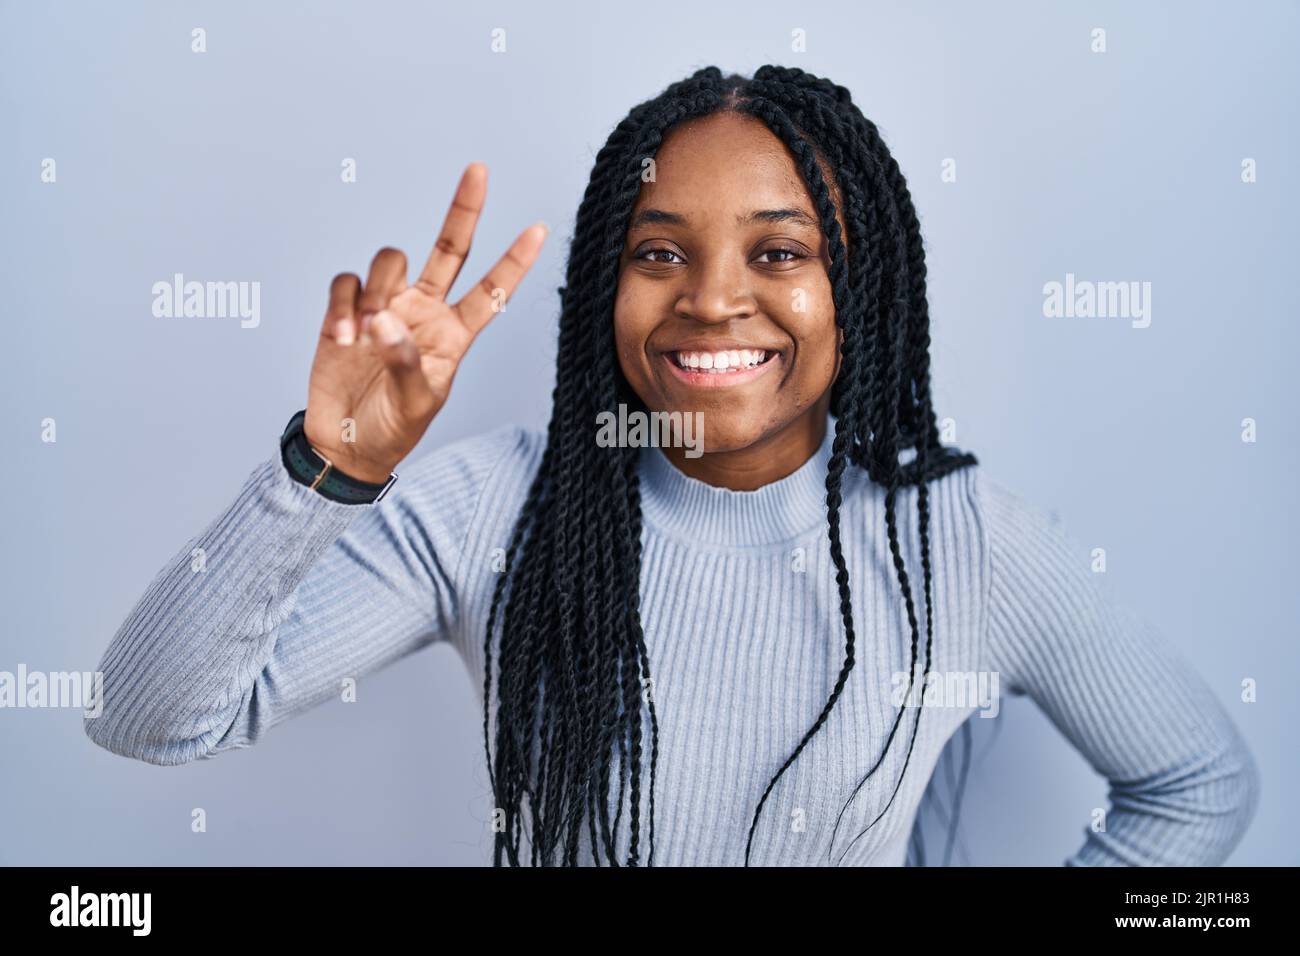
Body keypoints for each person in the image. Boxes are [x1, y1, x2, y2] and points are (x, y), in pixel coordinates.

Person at [84, 65, 1259, 867]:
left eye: (779, 250)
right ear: (607, 281)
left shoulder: (958, 539)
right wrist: (325, 469)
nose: (708, 297)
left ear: (863, 289)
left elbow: (1196, 782)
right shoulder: (497, 502)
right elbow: (146, 718)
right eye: (658, 251)